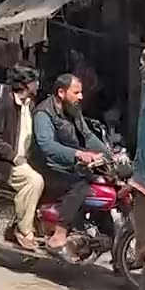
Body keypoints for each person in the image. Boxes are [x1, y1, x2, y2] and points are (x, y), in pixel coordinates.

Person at [31, 73, 110, 255]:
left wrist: (109, 155)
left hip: (66, 165)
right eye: (76, 92)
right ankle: (59, 234)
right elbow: (47, 145)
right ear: (61, 92)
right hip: (46, 167)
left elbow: (87, 135)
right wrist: (78, 154)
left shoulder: (73, 109)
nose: (81, 96)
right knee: (80, 186)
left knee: (97, 180)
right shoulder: (44, 114)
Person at [0, 66, 44, 250]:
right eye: (35, 82)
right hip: (7, 164)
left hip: (25, 161)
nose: (38, 85)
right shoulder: (5, 105)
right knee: (35, 181)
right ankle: (23, 229)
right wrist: (13, 156)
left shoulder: (29, 104)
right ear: (26, 84)